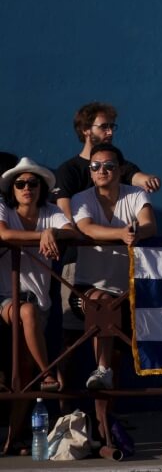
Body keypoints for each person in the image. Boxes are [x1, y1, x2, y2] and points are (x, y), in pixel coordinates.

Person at [73, 143, 156, 393]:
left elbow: (149, 225)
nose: (102, 171)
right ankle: (102, 368)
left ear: (120, 170)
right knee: (102, 304)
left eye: (109, 166)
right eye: (95, 166)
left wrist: (137, 233)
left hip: (130, 290)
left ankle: (107, 413)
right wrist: (121, 234)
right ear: (90, 172)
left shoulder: (136, 195)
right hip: (87, 288)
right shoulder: (81, 198)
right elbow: (86, 228)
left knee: (118, 355)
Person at [0, 158, 80, 393]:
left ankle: (20, 419)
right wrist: (42, 236)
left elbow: (71, 231)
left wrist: (52, 231)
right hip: (6, 298)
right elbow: (4, 235)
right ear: (12, 189)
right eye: (20, 184)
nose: (27, 188)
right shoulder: (4, 209)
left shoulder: (51, 212)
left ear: (41, 188)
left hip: (40, 301)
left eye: (32, 183)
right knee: (26, 311)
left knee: (25, 370)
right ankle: (47, 373)